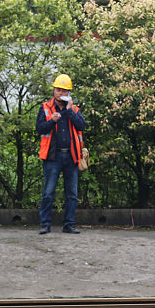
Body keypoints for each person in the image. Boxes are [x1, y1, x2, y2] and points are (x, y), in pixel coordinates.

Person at [36, 74, 86, 235]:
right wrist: (52, 121)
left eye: (64, 90)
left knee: (72, 194)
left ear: (69, 93)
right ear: (54, 90)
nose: (61, 93)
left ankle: (69, 224)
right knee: (48, 193)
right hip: (53, 157)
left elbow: (82, 125)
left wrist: (69, 110)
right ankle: (45, 224)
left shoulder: (74, 109)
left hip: (71, 156)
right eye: (58, 89)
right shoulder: (45, 108)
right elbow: (40, 129)